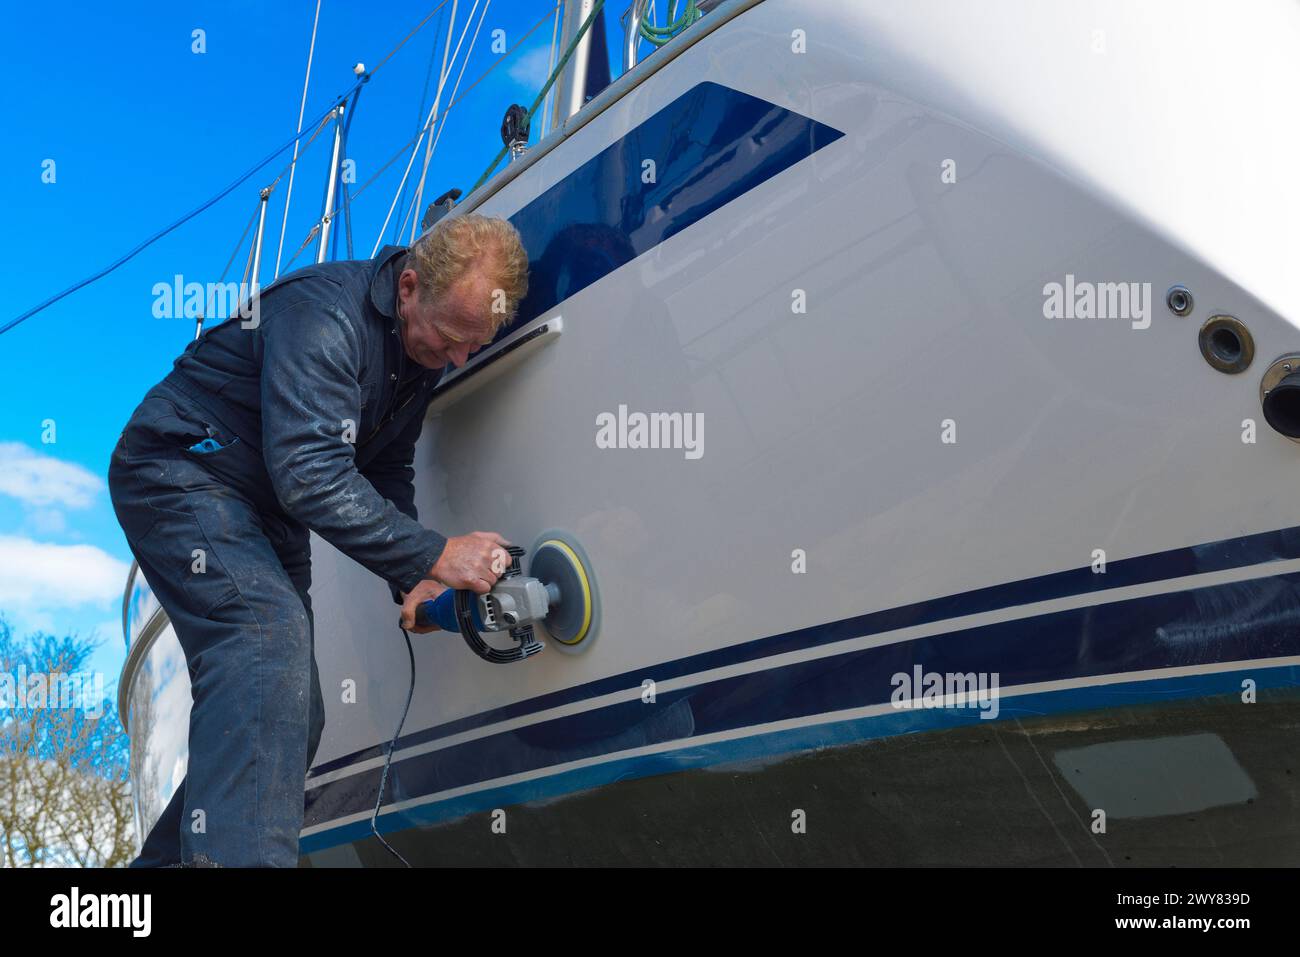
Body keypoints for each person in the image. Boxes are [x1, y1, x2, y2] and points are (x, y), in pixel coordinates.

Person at [108, 213, 530, 867]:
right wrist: (437, 553)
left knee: (290, 710)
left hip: (263, 505)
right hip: (183, 467)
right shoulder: (323, 314)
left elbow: (384, 465)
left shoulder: (416, 353)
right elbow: (309, 474)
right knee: (262, 645)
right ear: (410, 286)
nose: (455, 360)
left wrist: (412, 578)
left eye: (471, 348)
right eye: (449, 338)